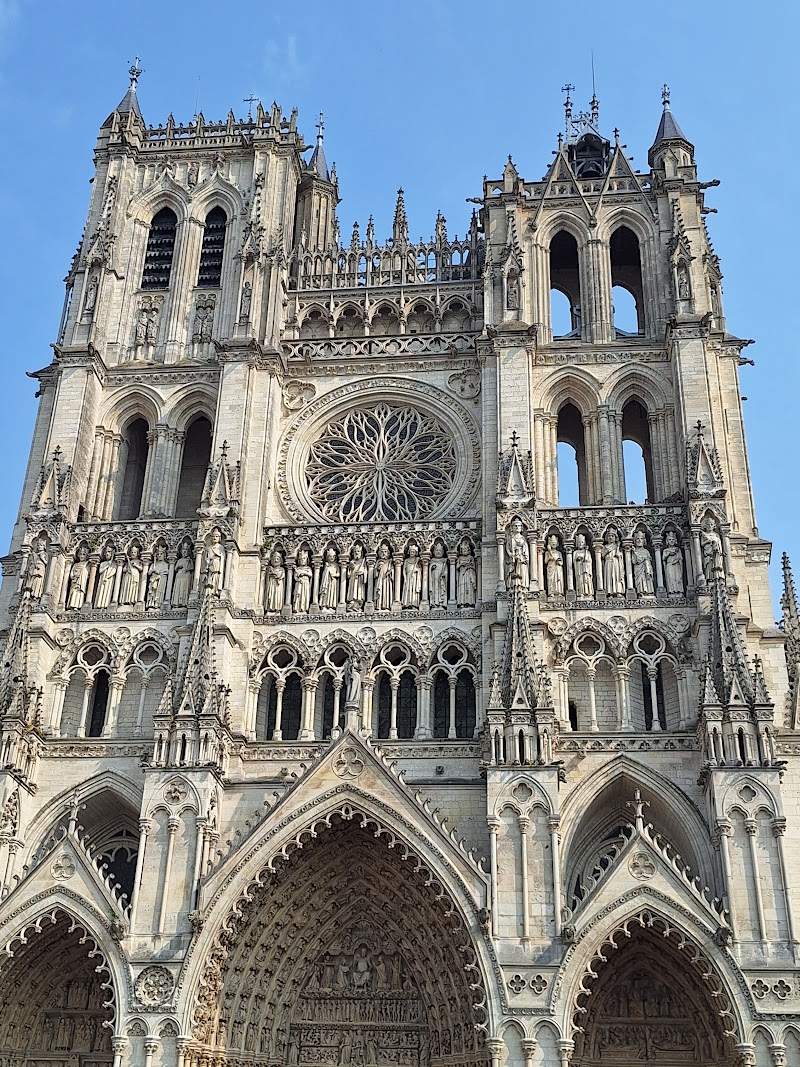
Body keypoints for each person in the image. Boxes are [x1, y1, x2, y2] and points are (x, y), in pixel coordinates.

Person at [505, 517, 530, 588]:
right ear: (512, 528)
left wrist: (524, 556)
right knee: (512, 571)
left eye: (519, 526)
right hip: (512, 558)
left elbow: (526, 549)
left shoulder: (523, 538)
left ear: (521, 528)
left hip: (521, 558)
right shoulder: (510, 538)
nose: (517, 527)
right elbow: (507, 547)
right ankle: (512, 585)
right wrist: (510, 553)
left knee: (522, 570)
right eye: (515, 526)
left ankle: (522, 585)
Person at [146, 544, 170, 609]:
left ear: (164, 555)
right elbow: (148, 572)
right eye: (158, 554)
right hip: (153, 580)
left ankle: (157, 604)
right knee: (152, 592)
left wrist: (159, 573)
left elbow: (167, 572)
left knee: (158, 593)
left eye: (161, 554)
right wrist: (153, 570)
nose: (159, 556)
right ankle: (151, 604)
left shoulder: (165, 564)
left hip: (160, 581)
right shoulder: (154, 564)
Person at [632, 529, 655, 596]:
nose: (639, 540)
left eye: (641, 539)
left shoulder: (646, 551)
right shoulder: (634, 551)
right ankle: (640, 592)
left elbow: (649, 560)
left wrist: (648, 569)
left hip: (646, 569)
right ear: (635, 540)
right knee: (640, 579)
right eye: (637, 539)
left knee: (647, 579)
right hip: (638, 569)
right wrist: (635, 553)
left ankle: (649, 592)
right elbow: (635, 561)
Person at [66, 546, 90, 610]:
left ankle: (78, 605)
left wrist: (82, 574)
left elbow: (88, 574)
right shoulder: (75, 564)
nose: (82, 556)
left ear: (87, 556)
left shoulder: (87, 564)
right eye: (81, 554)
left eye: (84, 554)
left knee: (79, 592)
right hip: (75, 580)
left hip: (81, 581)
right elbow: (71, 572)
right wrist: (73, 576)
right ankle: (71, 605)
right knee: (74, 591)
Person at [603, 528, 625, 596]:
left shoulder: (617, 546)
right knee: (609, 577)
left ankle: (618, 591)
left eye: (612, 536)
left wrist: (619, 553)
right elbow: (602, 555)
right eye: (609, 536)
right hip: (608, 562)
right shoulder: (605, 546)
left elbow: (620, 555)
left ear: (615, 537)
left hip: (616, 563)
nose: (610, 537)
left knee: (616, 577)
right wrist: (608, 550)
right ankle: (610, 593)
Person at [93, 544, 117, 608]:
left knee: (107, 591)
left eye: (109, 552)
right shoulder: (103, 563)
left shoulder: (114, 563)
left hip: (109, 579)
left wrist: (107, 577)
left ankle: (105, 604)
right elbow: (100, 571)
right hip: (102, 579)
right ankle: (98, 605)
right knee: (101, 591)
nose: (107, 554)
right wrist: (107, 565)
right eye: (106, 552)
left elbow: (113, 571)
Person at [171, 540, 194, 607]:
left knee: (184, 589)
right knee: (178, 588)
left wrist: (187, 569)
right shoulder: (179, 560)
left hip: (186, 576)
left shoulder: (189, 560)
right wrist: (178, 567)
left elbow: (192, 568)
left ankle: (183, 603)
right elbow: (175, 568)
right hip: (179, 576)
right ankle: (176, 603)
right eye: (183, 550)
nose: (184, 552)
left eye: (186, 550)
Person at [204, 529, 226, 596]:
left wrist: (217, 556)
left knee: (216, 576)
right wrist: (207, 561)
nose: (214, 538)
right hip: (210, 564)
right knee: (210, 576)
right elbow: (206, 557)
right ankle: (208, 591)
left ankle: (215, 591)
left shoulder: (220, 547)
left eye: (216, 536)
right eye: (213, 536)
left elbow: (223, 556)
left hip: (217, 564)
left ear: (219, 538)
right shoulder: (209, 547)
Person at [456, 539, 477, 607]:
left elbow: (474, 566)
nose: (465, 551)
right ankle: (462, 602)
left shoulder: (471, 557)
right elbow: (457, 567)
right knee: (462, 589)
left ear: (468, 550)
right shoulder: (459, 558)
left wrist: (469, 566)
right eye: (463, 550)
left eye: (466, 550)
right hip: (462, 575)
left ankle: (470, 602)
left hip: (468, 574)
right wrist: (461, 564)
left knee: (469, 588)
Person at [346, 543, 367, 610]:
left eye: (358, 551)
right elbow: (348, 574)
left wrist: (362, 572)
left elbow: (365, 570)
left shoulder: (363, 562)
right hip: (352, 579)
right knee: (352, 590)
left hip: (359, 580)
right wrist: (350, 568)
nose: (357, 553)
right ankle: (351, 603)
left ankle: (358, 604)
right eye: (355, 552)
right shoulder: (352, 561)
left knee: (359, 591)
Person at [662, 530, 684, 594]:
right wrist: (669, 554)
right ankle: (672, 591)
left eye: (673, 539)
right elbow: (663, 558)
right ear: (667, 541)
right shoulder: (666, 550)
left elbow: (680, 558)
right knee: (671, 578)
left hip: (677, 565)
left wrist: (676, 560)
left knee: (677, 577)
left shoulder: (678, 550)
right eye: (670, 539)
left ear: (675, 541)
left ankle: (679, 591)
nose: (671, 541)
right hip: (670, 565)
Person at [573, 533, 594, 598]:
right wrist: (577, 560)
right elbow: (573, 560)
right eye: (579, 543)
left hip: (586, 569)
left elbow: (590, 560)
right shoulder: (575, 552)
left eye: (582, 542)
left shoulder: (587, 552)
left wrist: (587, 561)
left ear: (584, 543)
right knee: (580, 580)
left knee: (587, 580)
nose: (580, 544)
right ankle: (580, 592)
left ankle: (588, 592)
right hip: (579, 569)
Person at [429, 542, 448, 608]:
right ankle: (434, 602)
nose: (438, 552)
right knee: (435, 589)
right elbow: (429, 570)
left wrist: (444, 574)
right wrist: (431, 568)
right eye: (437, 550)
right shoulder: (432, 561)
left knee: (441, 589)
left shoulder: (444, 561)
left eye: (440, 551)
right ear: (434, 552)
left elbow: (446, 571)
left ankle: (441, 603)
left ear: (443, 552)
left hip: (441, 579)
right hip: (434, 578)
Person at [374, 543, 393, 610]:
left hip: (386, 580)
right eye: (382, 551)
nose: (383, 553)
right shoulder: (378, 561)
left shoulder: (389, 562)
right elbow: (374, 573)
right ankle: (378, 605)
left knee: (386, 591)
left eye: (385, 551)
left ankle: (386, 605)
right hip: (380, 579)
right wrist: (378, 569)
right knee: (379, 590)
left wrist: (390, 572)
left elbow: (392, 570)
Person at [293, 549, 312, 613]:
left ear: (307, 559)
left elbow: (310, 574)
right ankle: (297, 607)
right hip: (299, 583)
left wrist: (304, 573)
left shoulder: (308, 568)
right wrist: (298, 579)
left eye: (304, 559)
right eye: (301, 559)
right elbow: (295, 577)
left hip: (305, 583)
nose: (302, 560)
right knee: (298, 595)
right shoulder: (297, 569)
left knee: (304, 595)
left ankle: (303, 608)